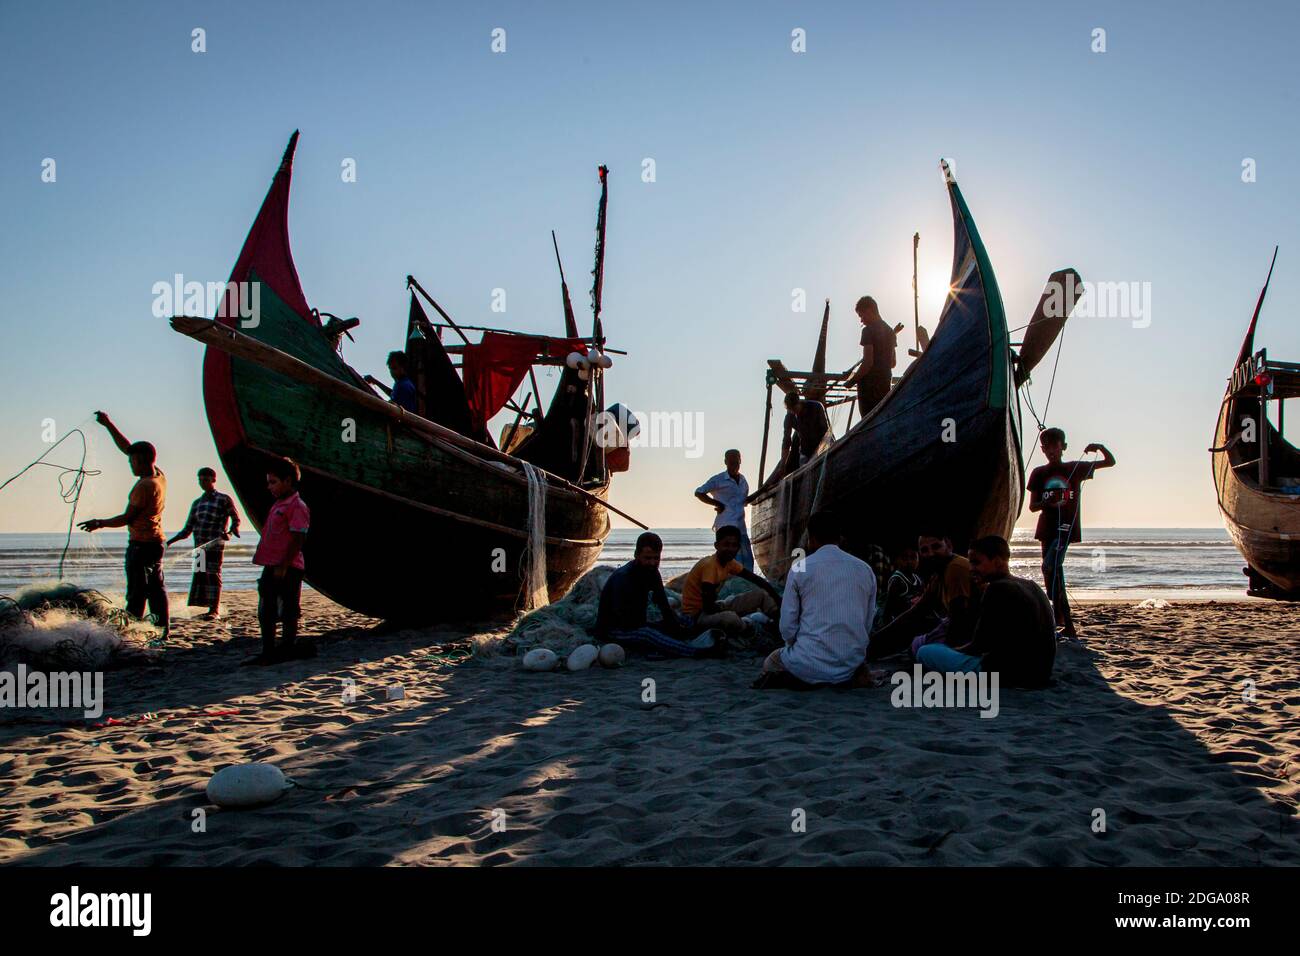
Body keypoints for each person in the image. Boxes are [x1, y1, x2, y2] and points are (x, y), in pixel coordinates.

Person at [916, 535, 1056, 688]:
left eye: (976, 563)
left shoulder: (996, 588)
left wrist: (951, 650)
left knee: (925, 651)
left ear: (997, 562)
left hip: (1009, 676)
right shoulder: (1032, 585)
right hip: (1041, 673)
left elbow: (978, 645)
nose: (971, 568)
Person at [756, 510, 875, 688]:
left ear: (811, 538)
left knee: (770, 662)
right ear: (840, 538)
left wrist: (795, 646)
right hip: (850, 663)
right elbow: (867, 623)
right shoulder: (865, 569)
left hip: (807, 664)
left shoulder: (800, 568)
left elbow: (787, 628)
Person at [77, 411, 169, 636]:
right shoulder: (159, 475)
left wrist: (99, 523)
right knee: (155, 589)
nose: (130, 464)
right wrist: (108, 425)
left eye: (132, 461)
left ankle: (134, 631)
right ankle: (162, 630)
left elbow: (127, 518)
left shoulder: (144, 487)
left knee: (137, 593)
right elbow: (128, 448)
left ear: (141, 461)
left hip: (141, 547)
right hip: (155, 543)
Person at [1027, 427, 1116, 638]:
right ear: (1042, 449)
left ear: (1063, 447)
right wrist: (1045, 502)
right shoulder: (1039, 473)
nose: (1051, 450)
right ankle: (1063, 621)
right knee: (1054, 575)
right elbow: (1032, 506)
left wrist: (1100, 448)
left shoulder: (1074, 468)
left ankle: (1065, 622)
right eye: (1046, 447)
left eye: (1055, 446)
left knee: (1050, 566)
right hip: (1046, 529)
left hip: (1065, 528)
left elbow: (1110, 462)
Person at [593, 531, 722, 658]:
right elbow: (623, 618)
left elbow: (663, 605)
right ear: (636, 555)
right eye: (647, 558)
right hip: (615, 629)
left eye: (656, 558)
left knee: (681, 620)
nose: (652, 563)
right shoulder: (623, 577)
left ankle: (706, 634)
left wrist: (674, 624)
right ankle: (695, 652)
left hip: (638, 622)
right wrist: (657, 626)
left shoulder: (652, 572)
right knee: (648, 634)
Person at [867, 531, 973, 660]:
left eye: (936, 547)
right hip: (964, 630)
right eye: (924, 550)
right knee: (916, 634)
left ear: (949, 545)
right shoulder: (938, 575)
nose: (930, 553)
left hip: (973, 635)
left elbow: (959, 620)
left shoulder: (955, 568)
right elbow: (917, 611)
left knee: (921, 650)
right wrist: (874, 639)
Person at [249, 457, 311, 664]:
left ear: (288, 481)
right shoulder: (279, 505)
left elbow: (297, 537)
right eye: (268, 482)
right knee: (267, 607)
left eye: (273, 482)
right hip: (272, 563)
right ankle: (268, 650)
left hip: (287, 566)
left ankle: (286, 648)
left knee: (289, 609)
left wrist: (283, 565)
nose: (269, 487)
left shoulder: (296, 506)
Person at [679, 525, 782, 639]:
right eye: (726, 544)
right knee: (730, 618)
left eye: (734, 545)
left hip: (714, 606)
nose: (730, 549)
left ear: (738, 547)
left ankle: (779, 622)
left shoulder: (730, 563)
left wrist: (778, 600)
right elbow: (708, 606)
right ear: (716, 546)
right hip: (697, 615)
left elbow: (757, 580)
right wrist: (728, 609)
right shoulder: (710, 565)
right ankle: (750, 628)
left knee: (761, 595)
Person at [167, 467, 241, 618]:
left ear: (213, 480)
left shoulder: (223, 499)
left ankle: (214, 610)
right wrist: (169, 542)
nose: (202, 483)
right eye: (200, 480)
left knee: (213, 575)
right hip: (199, 546)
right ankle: (206, 608)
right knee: (200, 575)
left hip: (214, 545)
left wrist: (231, 533)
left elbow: (236, 519)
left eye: (206, 480)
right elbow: (187, 529)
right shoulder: (197, 503)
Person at [694, 449, 754, 570]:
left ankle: (748, 587)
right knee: (730, 562)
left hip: (741, 527)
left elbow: (744, 501)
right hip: (726, 526)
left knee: (748, 562)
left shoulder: (743, 480)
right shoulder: (719, 479)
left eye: (736, 463)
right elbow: (699, 492)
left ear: (740, 461)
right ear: (726, 462)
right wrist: (716, 503)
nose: (734, 466)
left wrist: (763, 490)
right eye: (731, 463)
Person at [845, 296, 897, 416]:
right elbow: (893, 363)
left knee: (868, 421)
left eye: (861, 316)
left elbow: (868, 363)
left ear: (869, 310)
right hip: (884, 385)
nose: (861, 321)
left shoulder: (868, 331)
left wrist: (852, 381)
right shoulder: (890, 332)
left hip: (869, 388)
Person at [780, 392, 830, 471]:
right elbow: (786, 441)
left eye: (795, 408)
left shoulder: (816, 407)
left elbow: (825, 431)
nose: (794, 412)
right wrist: (783, 465)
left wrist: (821, 450)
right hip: (806, 451)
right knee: (804, 471)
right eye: (791, 410)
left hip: (823, 446)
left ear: (799, 403)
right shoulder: (789, 417)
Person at [878, 545, 923, 627]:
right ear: (897, 560)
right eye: (904, 558)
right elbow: (888, 610)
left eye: (913, 557)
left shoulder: (918, 580)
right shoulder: (897, 580)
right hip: (899, 622)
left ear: (918, 559)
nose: (909, 561)